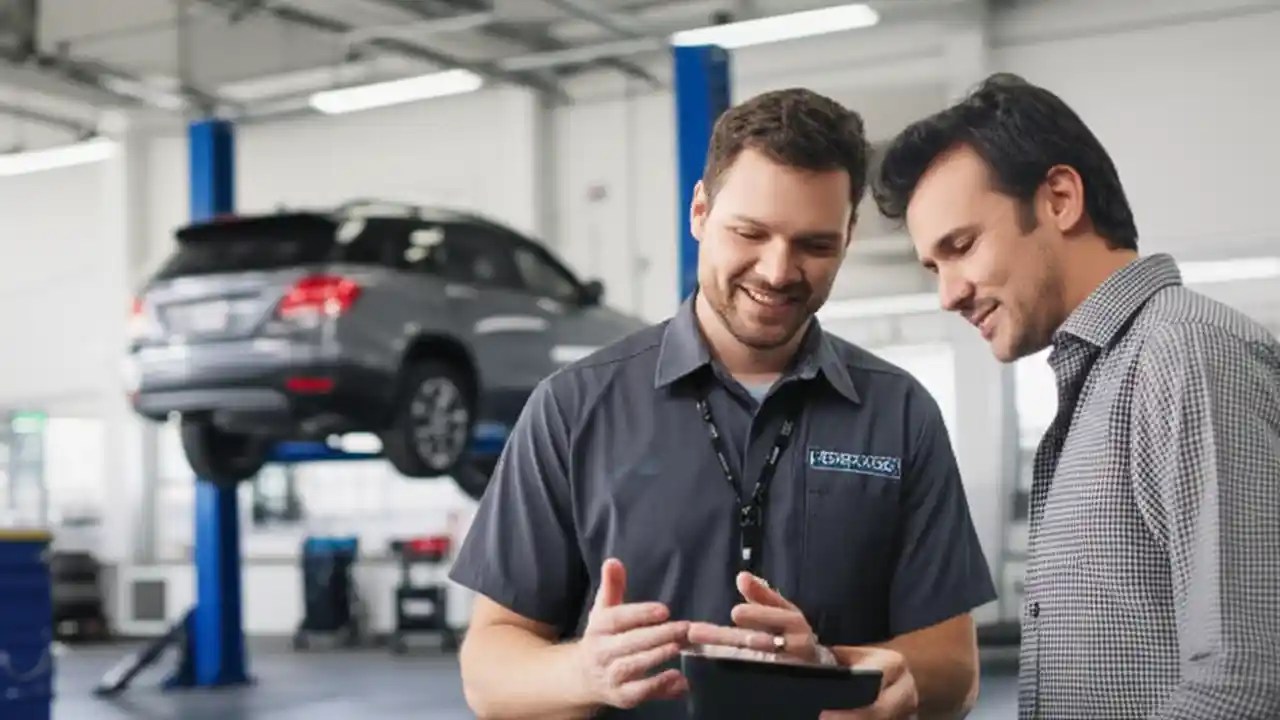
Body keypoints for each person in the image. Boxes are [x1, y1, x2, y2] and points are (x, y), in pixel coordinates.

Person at [449, 87, 997, 720]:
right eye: (750, 233)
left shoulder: (899, 415)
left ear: (848, 236)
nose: (778, 270)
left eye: (815, 245)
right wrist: (584, 671)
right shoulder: (572, 409)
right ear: (701, 212)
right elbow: (488, 672)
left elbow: (954, 670)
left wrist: (832, 664)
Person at [872, 72, 1280, 719]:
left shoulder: (1185, 354)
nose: (948, 294)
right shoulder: (1098, 386)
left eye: (962, 246)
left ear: (1060, 199)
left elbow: (1251, 679)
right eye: (934, 267)